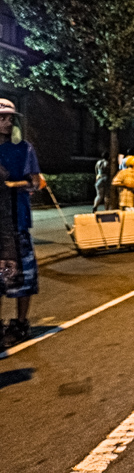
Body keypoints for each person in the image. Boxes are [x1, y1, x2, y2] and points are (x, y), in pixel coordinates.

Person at [0, 99, 42, 346]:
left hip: (17, 220)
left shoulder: (24, 149)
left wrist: (12, 185)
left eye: (10, 118)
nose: (8, 122)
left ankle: (21, 322)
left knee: (22, 276)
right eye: (3, 118)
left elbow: (35, 182)